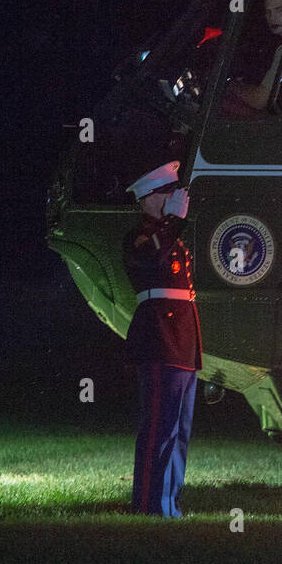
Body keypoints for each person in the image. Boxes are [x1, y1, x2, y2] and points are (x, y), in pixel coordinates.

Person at [123, 160, 201, 517]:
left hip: (181, 340)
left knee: (179, 430)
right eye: (167, 193)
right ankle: (147, 504)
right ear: (149, 198)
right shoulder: (139, 236)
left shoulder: (172, 236)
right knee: (158, 428)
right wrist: (174, 222)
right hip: (158, 339)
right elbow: (149, 257)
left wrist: (174, 225)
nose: (174, 199)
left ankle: (170, 503)